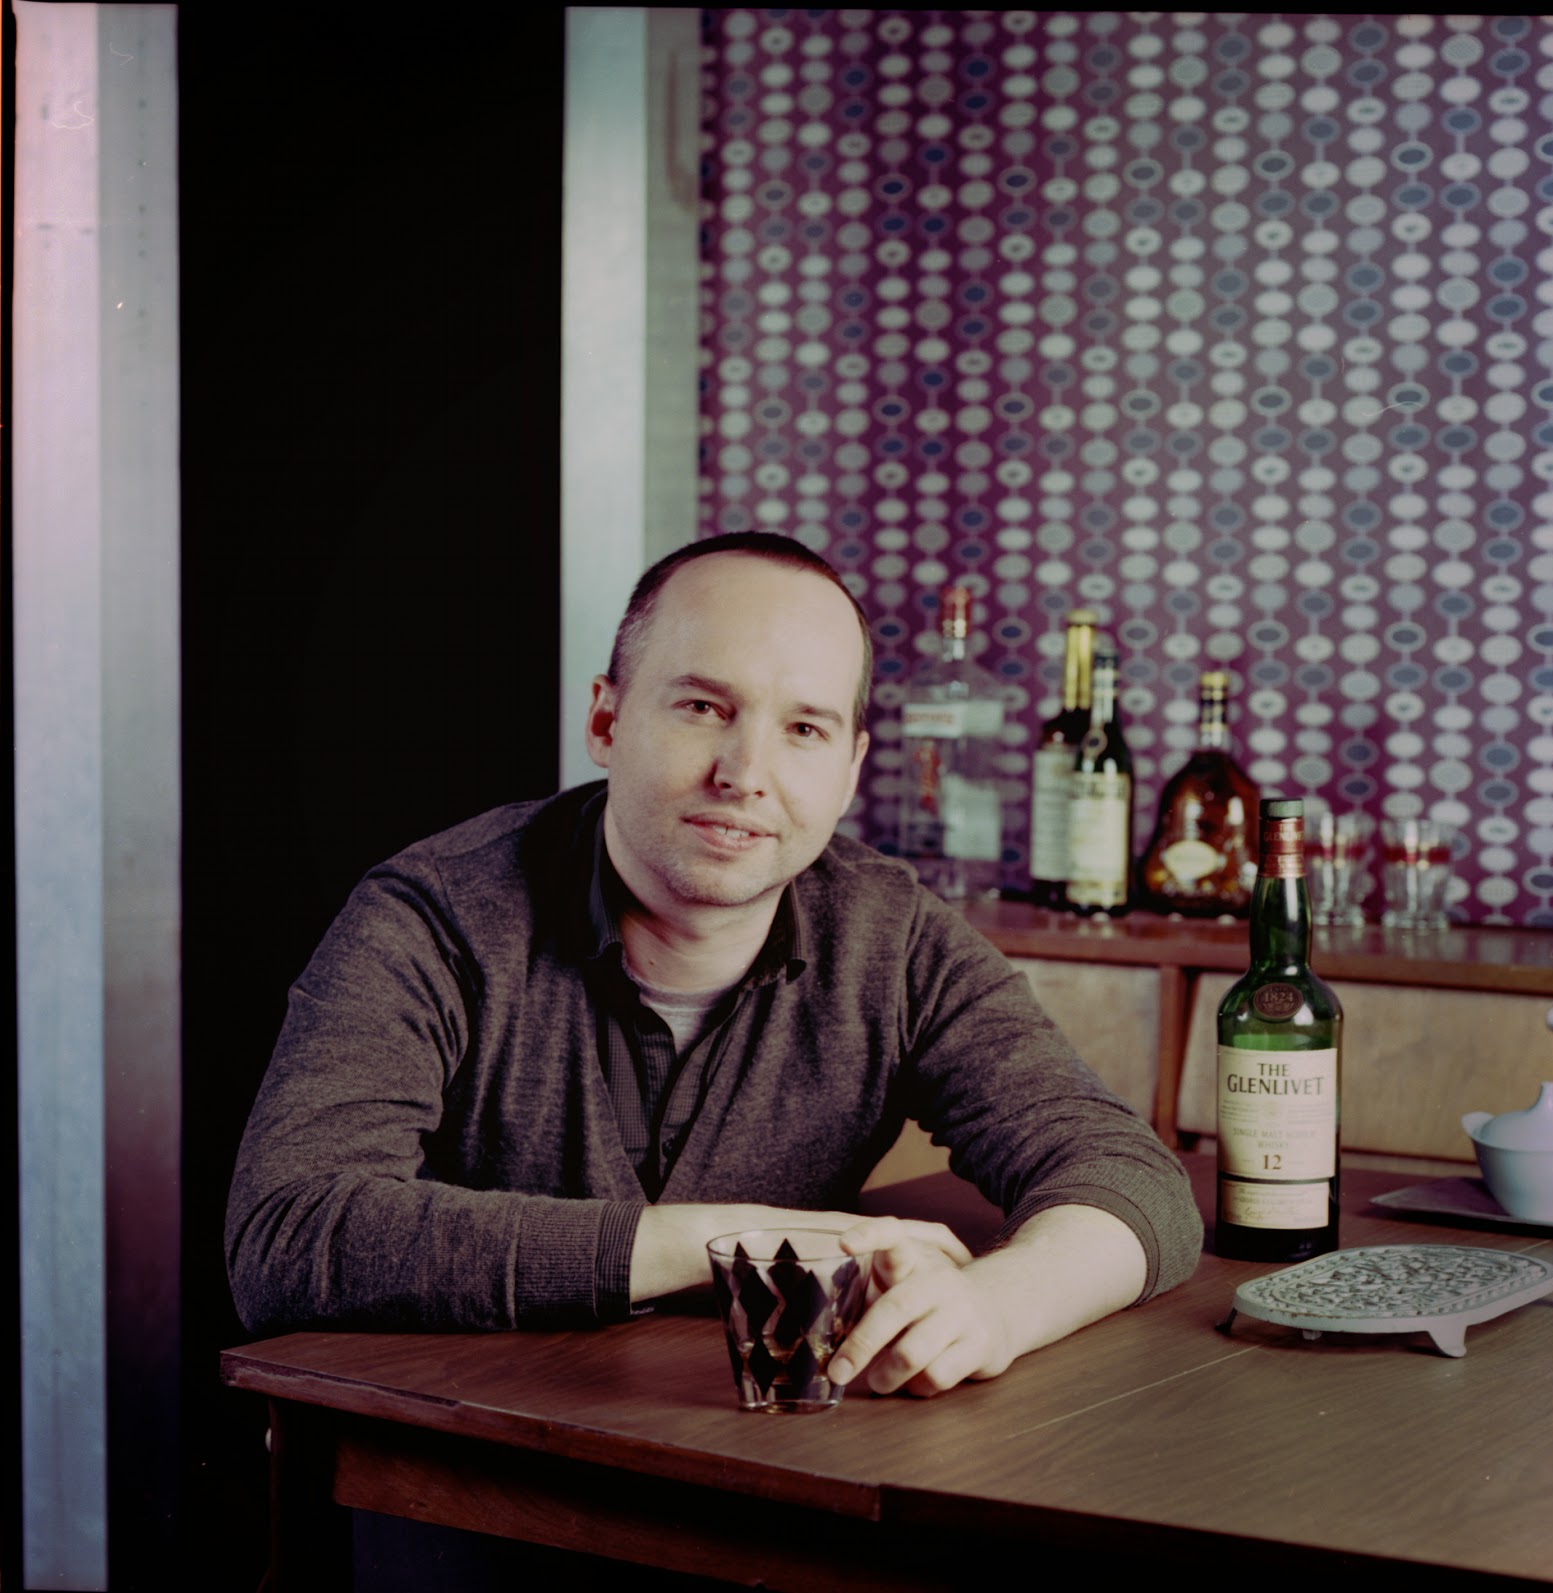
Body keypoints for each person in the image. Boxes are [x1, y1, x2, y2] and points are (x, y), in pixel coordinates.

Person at [226, 532, 1201, 1398]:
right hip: (464, 1480)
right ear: (606, 722)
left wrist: (997, 1308)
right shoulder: (433, 913)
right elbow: (290, 1231)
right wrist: (722, 1242)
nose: (745, 773)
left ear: (850, 770)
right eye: (702, 706)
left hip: (756, 1473)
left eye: (804, 729)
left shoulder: (889, 935)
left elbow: (1127, 1176)